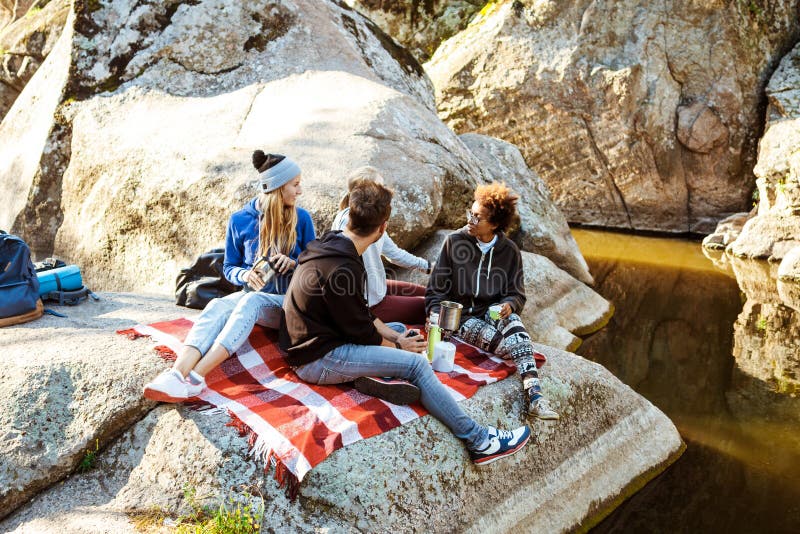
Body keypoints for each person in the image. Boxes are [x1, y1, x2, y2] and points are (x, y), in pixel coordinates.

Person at [280, 180, 531, 465]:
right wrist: (400, 347)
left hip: (320, 338)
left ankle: (377, 374)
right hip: (316, 358)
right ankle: (480, 441)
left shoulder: (329, 243)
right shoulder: (344, 268)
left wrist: (397, 339)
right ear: (383, 228)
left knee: (400, 330)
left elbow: (360, 313)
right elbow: (361, 329)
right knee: (416, 364)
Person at [143, 151, 315, 402]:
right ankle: (176, 375)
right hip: (252, 293)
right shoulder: (239, 220)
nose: (300, 191)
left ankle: (196, 378)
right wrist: (245, 274)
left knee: (249, 302)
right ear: (277, 187)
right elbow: (229, 267)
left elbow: (316, 265)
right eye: (295, 184)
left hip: (288, 303)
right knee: (217, 305)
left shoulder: (302, 219)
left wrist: (294, 261)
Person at [426, 182, 560, 420]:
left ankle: (535, 396)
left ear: (495, 224)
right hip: (462, 318)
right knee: (515, 346)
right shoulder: (454, 242)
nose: (470, 220)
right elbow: (435, 290)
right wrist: (436, 320)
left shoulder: (509, 252)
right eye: (471, 213)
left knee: (515, 324)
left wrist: (510, 305)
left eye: (478, 218)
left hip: (492, 313)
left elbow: (517, 293)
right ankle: (532, 385)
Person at [331, 166, 430, 324]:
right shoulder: (348, 224)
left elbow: (394, 253)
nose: (384, 191)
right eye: (380, 187)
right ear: (365, 195)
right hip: (370, 304)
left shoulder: (371, 219)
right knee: (430, 305)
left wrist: (427, 266)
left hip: (378, 289)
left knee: (429, 293)